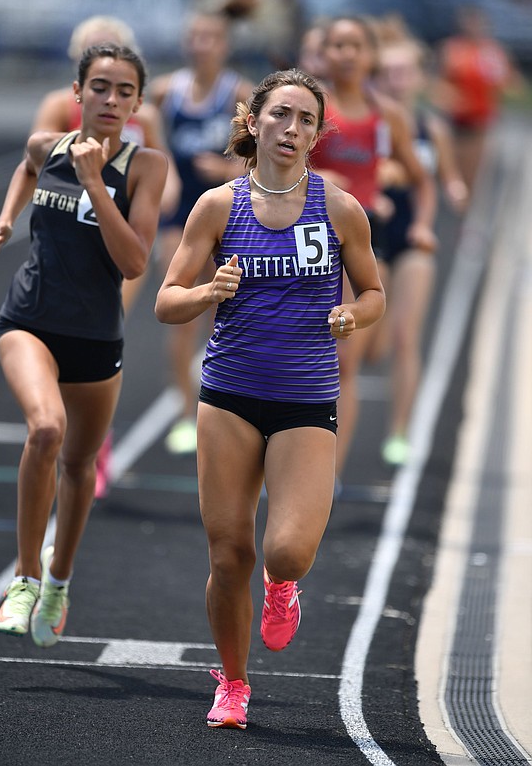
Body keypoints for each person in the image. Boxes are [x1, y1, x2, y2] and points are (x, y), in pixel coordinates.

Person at [155, 68, 385, 728]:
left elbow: (373, 293)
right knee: (228, 553)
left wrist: (354, 317)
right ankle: (233, 682)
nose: (292, 128)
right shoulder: (217, 206)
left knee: (286, 550)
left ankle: (282, 587)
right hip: (229, 395)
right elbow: (169, 302)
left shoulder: (339, 208)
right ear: (255, 122)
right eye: (281, 114)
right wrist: (208, 293)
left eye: (306, 119)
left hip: (305, 398)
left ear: (318, 134)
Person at [0, 44, 167, 646]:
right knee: (46, 430)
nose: (111, 100)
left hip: (95, 335)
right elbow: (27, 168)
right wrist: (7, 219)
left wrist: (95, 183)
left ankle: (58, 582)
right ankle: (25, 579)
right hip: (30, 319)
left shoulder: (146, 166)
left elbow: (135, 261)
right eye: (101, 87)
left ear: (138, 102)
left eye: (124, 91)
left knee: (81, 465)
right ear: (78, 93)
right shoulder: (46, 145)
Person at [32, 15, 181, 497]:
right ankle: (55, 426)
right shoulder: (59, 105)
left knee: (104, 328)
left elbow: (168, 176)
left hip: (119, 238)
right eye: (95, 50)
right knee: (54, 338)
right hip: (67, 241)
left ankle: (97, 442)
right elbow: (33, 164)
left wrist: (162, 195)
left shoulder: (147, 115)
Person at [310, 14, 436, 488]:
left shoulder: (389, 115)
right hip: (301, 242)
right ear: (323, 52)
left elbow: (422, 182)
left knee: (346, 363)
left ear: (370, 56)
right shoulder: (310, 105)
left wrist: (423, 224)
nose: (345, 55)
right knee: (302, 355)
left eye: (354, 46)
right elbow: (268, 161)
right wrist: (317, 179)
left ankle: (328, 480)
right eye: (336, 45)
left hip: (361, 243)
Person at [150, 0, 254, 455]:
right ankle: (181, 411)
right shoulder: (165, 92)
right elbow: (145, 137)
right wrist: (163, 172)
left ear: (224, 45)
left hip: (228, 213)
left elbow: (261, 154)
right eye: (193, 37)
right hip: (178, 213)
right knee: (180, 310)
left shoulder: (241, 93)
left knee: (226, 315)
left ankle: (226, 408)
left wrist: (229, 167)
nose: (200, 46)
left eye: (209, 38)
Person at [375, 29, 469, 466]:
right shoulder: (373, 125)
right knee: (369, 346)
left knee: (405, 337)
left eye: (403, 72)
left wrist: (454, 189)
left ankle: (398, 432)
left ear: (417, 78)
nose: (395, 79)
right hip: (371, 236)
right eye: (388, 72)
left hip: (416, 238)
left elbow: (446, 175)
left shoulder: (432, 129)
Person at [432, 5, 524, 192]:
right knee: (451, 171)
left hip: (480, 122)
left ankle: (467, 213)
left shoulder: (492, 52)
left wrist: (503, 85)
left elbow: (511, 84)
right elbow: (437, 83)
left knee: (473, 174)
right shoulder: (452, 50)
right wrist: (448, 97)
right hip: (455, 121)